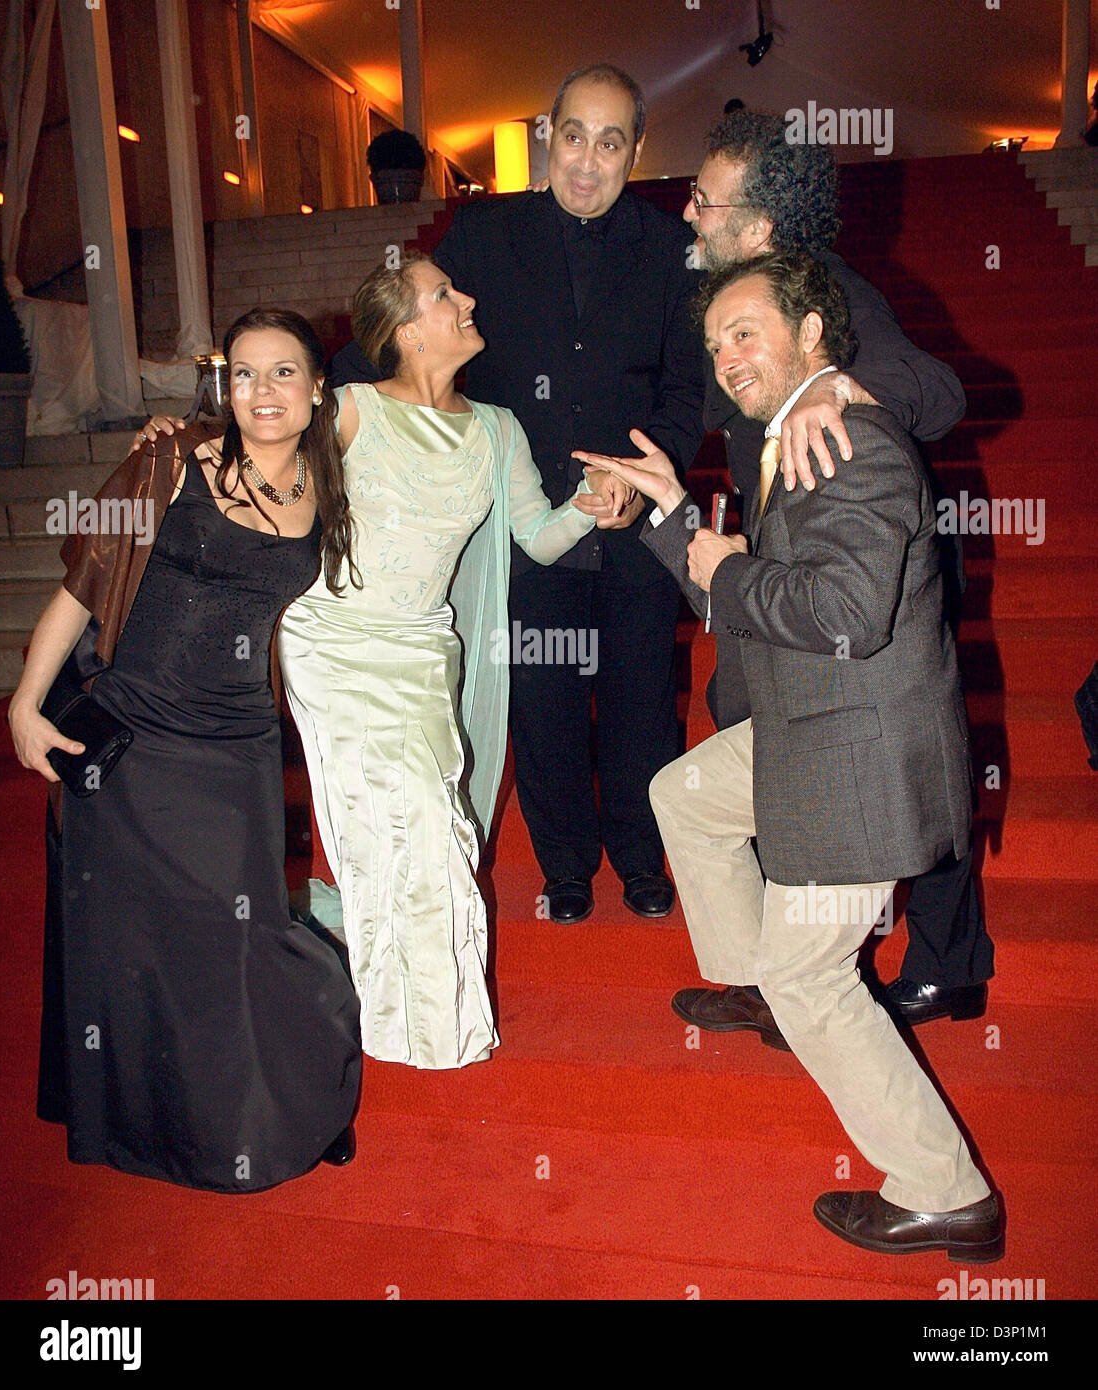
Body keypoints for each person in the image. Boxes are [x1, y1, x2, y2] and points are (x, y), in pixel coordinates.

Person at [579, 252, 1003, 1260]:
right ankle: (754, 980)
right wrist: (666, 514)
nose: (726, 354)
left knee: (815, 978)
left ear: (813, 332)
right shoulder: (790, 437)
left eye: (747, 329)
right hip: (814, 726)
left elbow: (842, 615)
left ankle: (947, 1191)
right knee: (684, 792)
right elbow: (743, 598)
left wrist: (729, 567)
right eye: (716, 338)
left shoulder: (844, 441)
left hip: (861, 763)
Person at [334, 64, 707, 927]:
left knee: (642, 694)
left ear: (635, 150)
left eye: (611, 142)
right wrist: (293, 399)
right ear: (548, 135)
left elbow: (687, 391)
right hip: (526, 514)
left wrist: (645, 473)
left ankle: (642, 856)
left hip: (637, 520)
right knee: (542, 700)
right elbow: (398, 337)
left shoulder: (668, 252)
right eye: (574, 135)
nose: (587, 159)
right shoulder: (485, 236)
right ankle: (566, 864)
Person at [8, 308, 362, 1193]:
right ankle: (163, 1130)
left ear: (317, 388)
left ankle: (295, 1094)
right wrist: (24, 699)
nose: (262, 392)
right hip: (134, 737)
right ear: (223, 385)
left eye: (283, 373)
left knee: (249, 937)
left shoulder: (332, 483)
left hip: (237, 740)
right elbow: (84, 587)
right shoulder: (174, 460)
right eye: (243, 374)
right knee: (129, 943)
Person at [679, 108, 992, 1030]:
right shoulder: (734, 306)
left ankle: (945, 965)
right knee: (753, 736)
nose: (688, 213)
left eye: (705, 200)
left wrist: (832, 381)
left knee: (900, 773)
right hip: (787, 580)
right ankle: (786, 970)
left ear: (761, 225)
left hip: (869, 578)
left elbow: (941, 392)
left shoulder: (836, 295)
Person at [280, 254, 630, 1069]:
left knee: (435, 830)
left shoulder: (498, 428)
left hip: (423, 650)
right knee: (408, 828)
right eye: (445, 295)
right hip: (333, 645)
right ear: (406, 331)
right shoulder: (351, 409)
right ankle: (424, 1028)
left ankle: (376, 990)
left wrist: (589, 506)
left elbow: (537, 536)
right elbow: (264, 471)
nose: (467, 299)